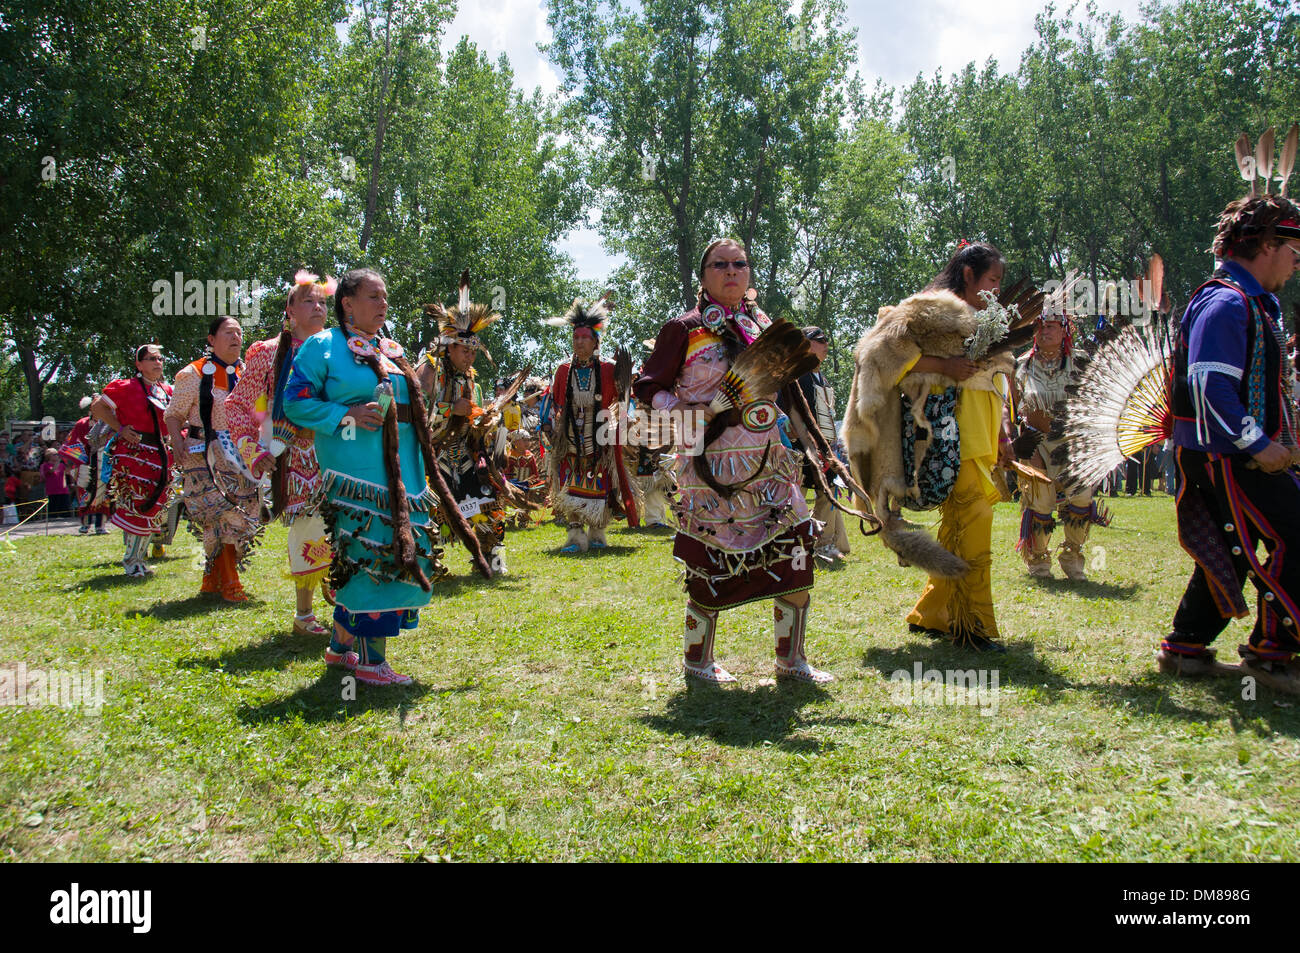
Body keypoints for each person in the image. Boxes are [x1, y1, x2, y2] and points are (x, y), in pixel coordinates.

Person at [635, 238, 827, 683]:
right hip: (711, 467)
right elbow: (647, 386)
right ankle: (698, 662)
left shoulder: (760, 324)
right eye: (719, 264)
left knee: (795, 551)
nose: (731, 271)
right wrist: (682, 409)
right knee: (710, 562)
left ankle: (791, 661)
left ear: (748, 273)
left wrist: (816, 447)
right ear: (703, 276)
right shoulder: (684, 328)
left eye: (739, 263)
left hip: (770, 463)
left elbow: (791, 392)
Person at [1157, 192, 1300, 682]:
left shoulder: (1254, 302)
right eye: (1293, 251)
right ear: (1267, 245)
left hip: (1229, 454)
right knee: (1293, 534)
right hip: (1227, 456)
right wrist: (1259, 444)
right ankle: (1272, 655)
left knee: (1227, 550)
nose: (1297, 263)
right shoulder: (1226, 302)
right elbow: (1208, 384)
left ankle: (1186, 648)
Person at [284, 267, 446, 686]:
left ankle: (340, 650)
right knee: (374, 556)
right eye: (373, 296)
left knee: (369, 557)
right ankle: (372, 664)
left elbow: (406, 402)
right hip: (357, 473)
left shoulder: (389, 349)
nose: (383, 303)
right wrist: (346, 414)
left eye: (385, 296)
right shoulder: (323, 346)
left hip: (404, 472)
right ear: (348, 304)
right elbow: (295, 402)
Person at [902, 242, 1015, 651]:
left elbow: (997, 382)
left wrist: (1002, 434)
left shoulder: (989, 319)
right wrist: (945, 366)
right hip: (950, 438)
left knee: (958, 525)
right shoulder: (931, 310)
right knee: (975, 522)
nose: (996, 290)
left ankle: (933, 613)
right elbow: (889, 356)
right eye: (992, 280)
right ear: (968, 275)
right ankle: (972, 626)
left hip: (980, 436)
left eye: (999, 283)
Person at [226, 271, 336, 636]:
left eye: (322, 301)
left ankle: (339, 590)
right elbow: (238, 405)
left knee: (345, 521)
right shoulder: (269, 353)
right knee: (308, 525)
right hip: (296, 455)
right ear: (289, 310)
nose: (318, 307)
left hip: (338, 450)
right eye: (308, 301)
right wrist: (254, 451)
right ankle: (304, 615)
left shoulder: (338, 349)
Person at [416, 274, 511, 574]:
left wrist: (483, 419)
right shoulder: (429, 370)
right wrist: (450, 409)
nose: (470, 357)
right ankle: (428, 564)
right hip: (433, 453)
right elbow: (416, 413)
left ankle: (492, 558)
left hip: (465, 451)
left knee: (488, 498)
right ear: (449, 348)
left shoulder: (469, 377)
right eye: (464, 351)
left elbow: (471, 413)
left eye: (473, 352)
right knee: (429, 507)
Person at [165, 316, 261, 602]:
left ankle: (212, 578)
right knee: (220, 513)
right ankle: (230, 581)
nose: (236, 338)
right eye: (229, 332)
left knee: (243, 513)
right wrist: (177, 441)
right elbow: (173, 414)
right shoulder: (193, 374)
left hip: (241, 455)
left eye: (239, 333)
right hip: (203, 454)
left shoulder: (247, 372)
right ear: (211, 339)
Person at [1012, 309, 1109, 580]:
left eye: (1051, 326)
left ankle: (1072, 555)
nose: (1044, 332)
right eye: (1040, 327)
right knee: (1040, 503)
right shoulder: (1021, 365)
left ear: (1065, 330)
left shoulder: (1081, 361)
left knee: (1081, 498)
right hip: (1036, 442)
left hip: (1074, 442)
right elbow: (1015, 407)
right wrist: (1024, 444)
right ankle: (1038, 559)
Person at [544, 297, 640, 553]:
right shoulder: (563, 370)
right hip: (571, 436)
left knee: (599, 479)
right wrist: (553, 428)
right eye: (575, 338)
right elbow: (556, 404)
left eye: (585, 338)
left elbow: (623, 400)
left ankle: (597, 531)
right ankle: (575, 535)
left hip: (600, 434)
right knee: (570, 479)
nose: (579, 342)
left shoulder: (608, 368)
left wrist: (623, 421)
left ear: (596, 341)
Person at [90, 344, 174, 577]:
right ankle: (132, 560)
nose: (158, 363)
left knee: (153, 507)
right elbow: (98, 407)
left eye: (160, 359)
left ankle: (138, 559)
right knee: (137, 506)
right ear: (139, 364)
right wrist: (120, 428)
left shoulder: (165, 390)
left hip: (160, 455)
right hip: (134, 454)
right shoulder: (126, 387)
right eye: (151, 359)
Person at [794, 326, 849, 563]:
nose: (826, 344)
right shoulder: (796, 376)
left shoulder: (821, 378)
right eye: (820, 340)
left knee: (827, 494)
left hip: (824, 448)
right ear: (806, 345)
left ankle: (824, 544)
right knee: (795, 497)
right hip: (801, 448)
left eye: (826, 339)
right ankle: (791, 544)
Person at [61, 399, 112, 534]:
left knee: (103, 494)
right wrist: (74, 464)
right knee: (85, 493)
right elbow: (73, 442)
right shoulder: (82, 423)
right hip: (85, 463)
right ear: (91, 409)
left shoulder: (110, 422)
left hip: (104, 463)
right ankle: (85, 524)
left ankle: (100, 526)